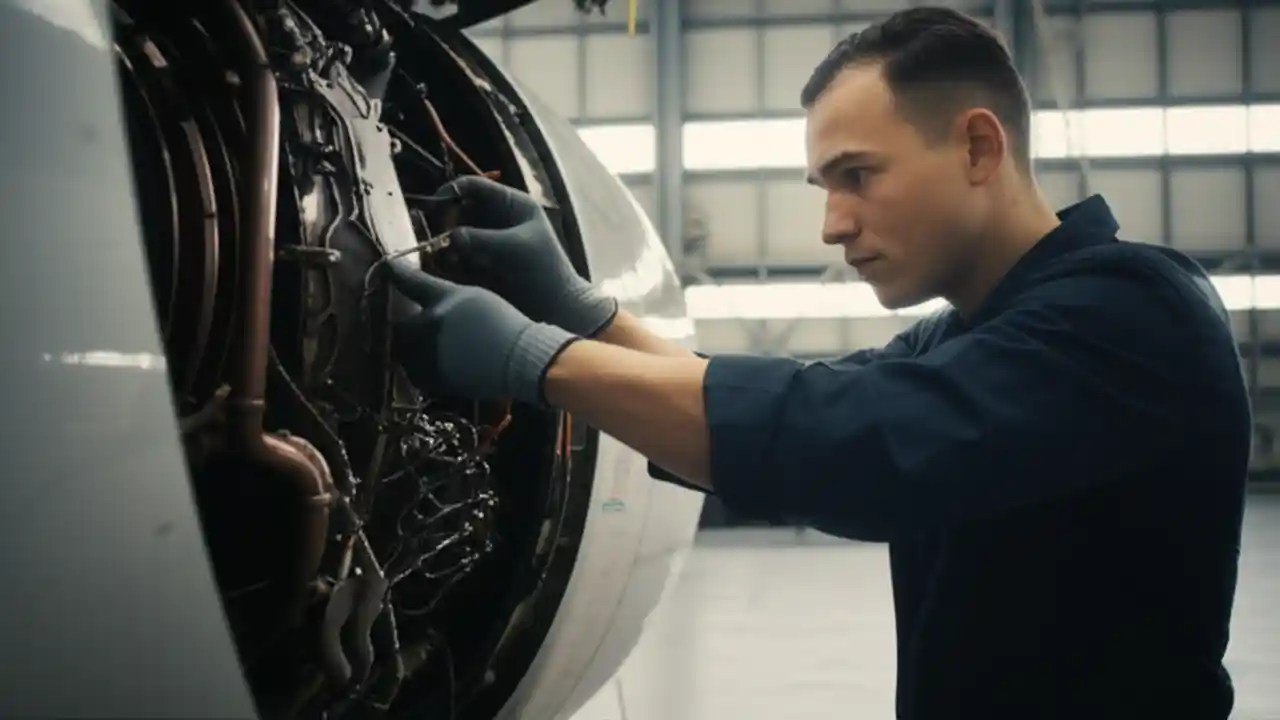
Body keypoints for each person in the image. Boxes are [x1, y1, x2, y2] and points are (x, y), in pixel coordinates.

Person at [385, 6, 1250, 719]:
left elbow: (851, 445)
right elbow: (815, 403)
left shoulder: (1135, 313)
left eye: (859, 176)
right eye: (824, 187)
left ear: (980, 149)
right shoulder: (961, 339)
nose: (832, 226)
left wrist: (543, 361)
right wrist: (586, 313)